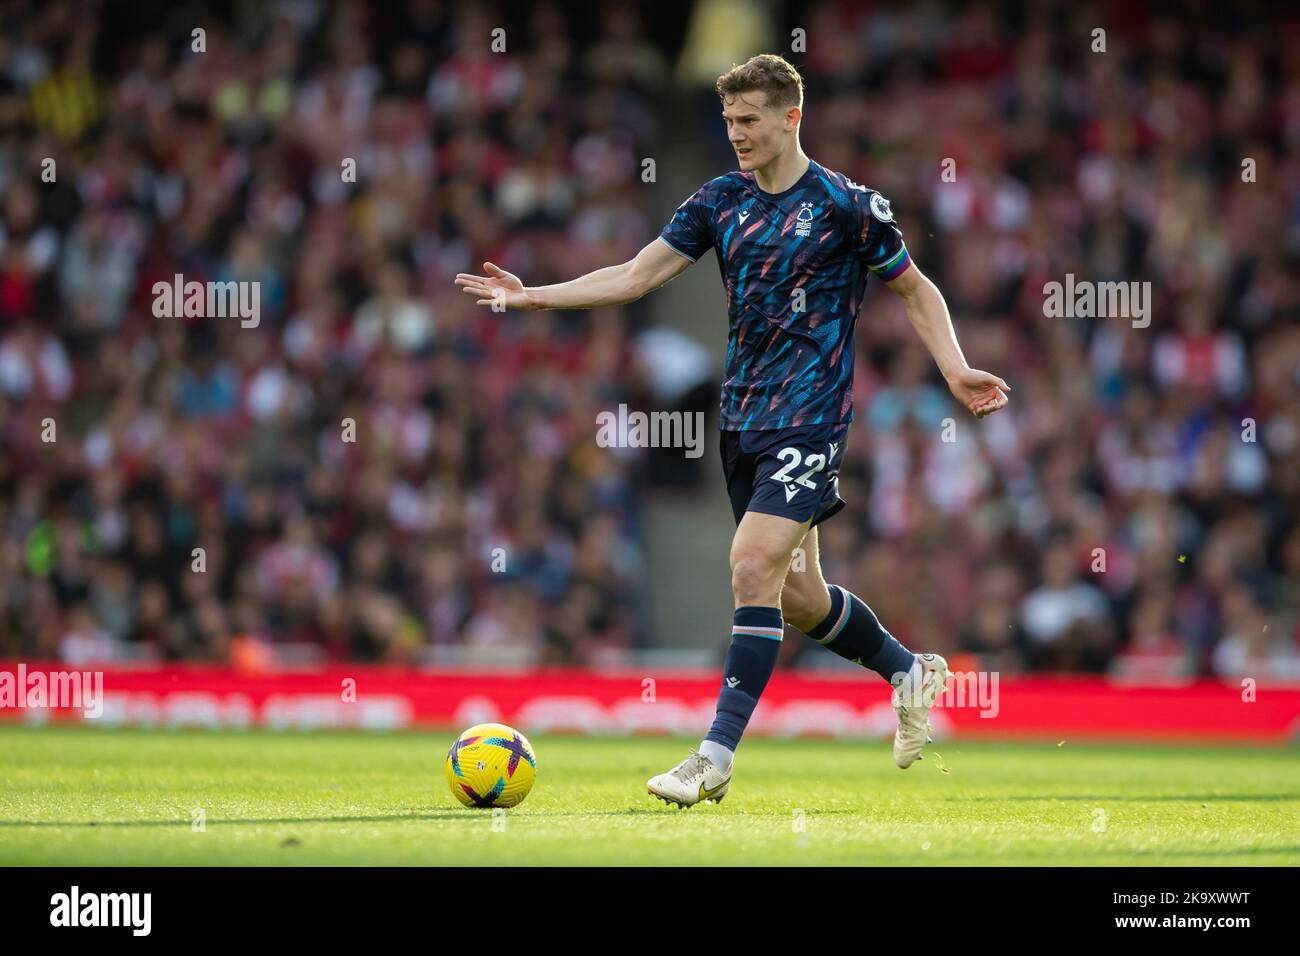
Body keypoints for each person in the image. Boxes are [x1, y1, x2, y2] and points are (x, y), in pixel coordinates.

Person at [455, 54, 1011, 807]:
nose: (736, 135)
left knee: (750, 566)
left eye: (749, 121)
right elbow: (635, 274)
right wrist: (534, 300)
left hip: (812, 420)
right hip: (742, 423)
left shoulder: (849, 206)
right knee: (802, 600)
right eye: (728, 122)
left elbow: (915, 288)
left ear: (791, 118)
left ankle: (713, 757)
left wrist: (954, 369)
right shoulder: (718, 201)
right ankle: (909, 673)